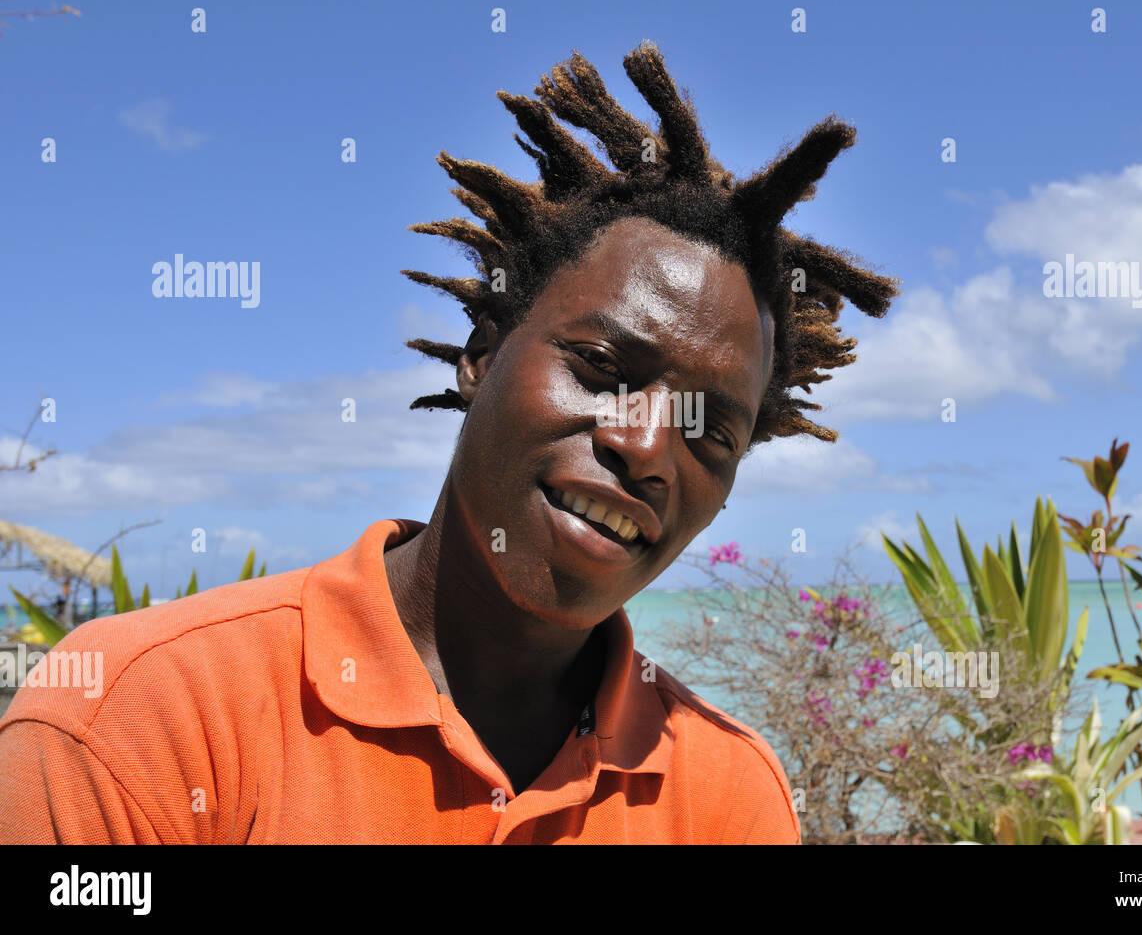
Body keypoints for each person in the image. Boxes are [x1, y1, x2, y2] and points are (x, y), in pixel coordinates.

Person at [0, 41, 897, 844]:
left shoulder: (727, 799)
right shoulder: (141, 721)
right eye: (600, 366)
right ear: (481, 356)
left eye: (711, 430)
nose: (648, 448)